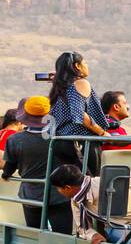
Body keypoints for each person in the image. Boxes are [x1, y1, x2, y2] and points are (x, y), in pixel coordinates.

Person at [2, 98, 79, 233]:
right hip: (59, 195)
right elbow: (74, 162)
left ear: (26, 115)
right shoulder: (62, 138)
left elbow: (9, 168)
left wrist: (6, 175)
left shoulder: (14, 140)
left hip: (31, 196)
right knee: (62, 236)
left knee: (36, 234)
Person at [47, 51, 114, 174]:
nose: (87, 65)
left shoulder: (60, 87)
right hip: (80, 142)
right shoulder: (81, 83)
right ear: (77, 66)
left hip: (60, 141)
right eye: (85, 62)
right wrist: (102, 133)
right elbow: (80, 115)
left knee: (69, 182)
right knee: (89, 181)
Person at [49, 163, 131, 244]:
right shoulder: (76, 201)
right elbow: (82, 227)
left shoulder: (104, 183)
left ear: (67, 188)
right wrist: (93, 235)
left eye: (58, 188)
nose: (59, 191)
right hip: (117, 227)